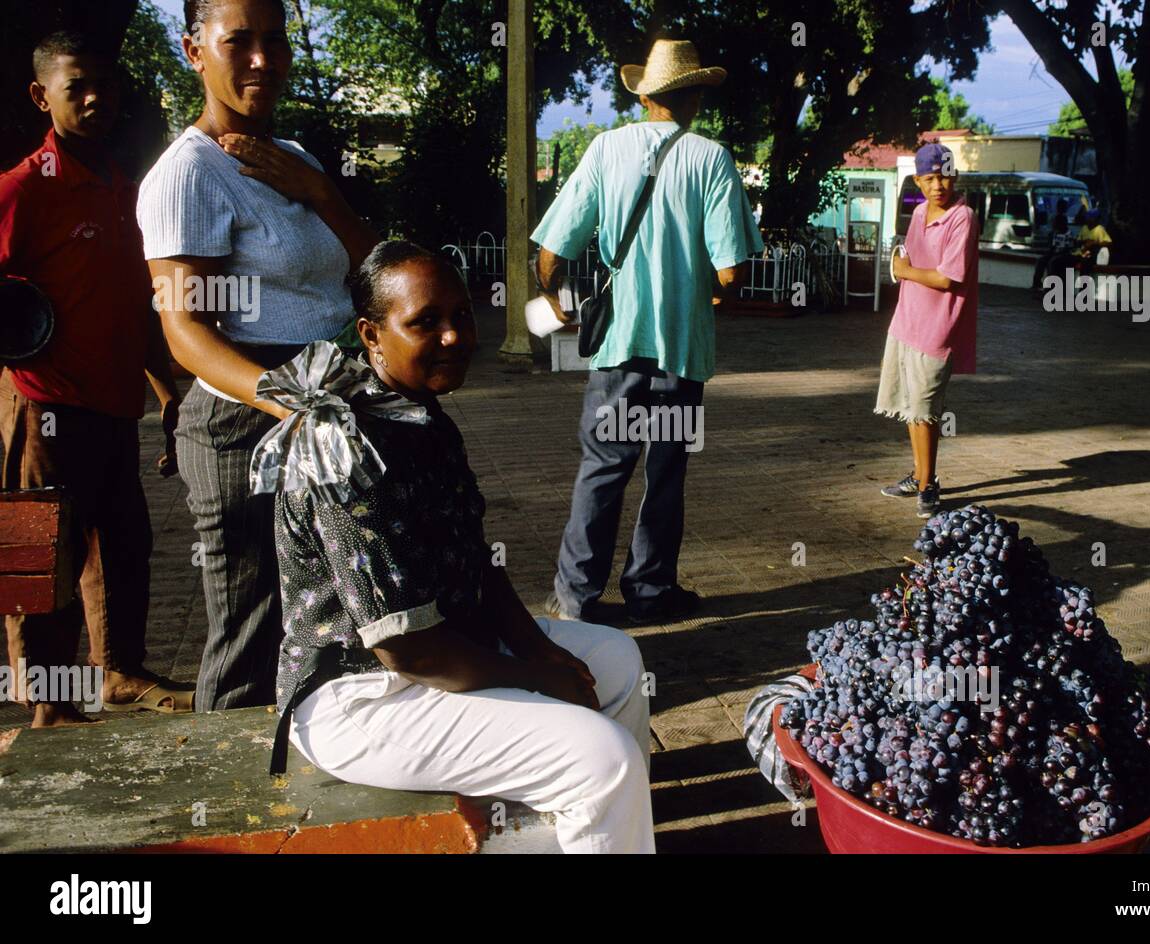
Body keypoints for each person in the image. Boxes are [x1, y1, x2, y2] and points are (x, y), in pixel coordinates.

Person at [267, 241, 654, 854]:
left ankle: (577, 837)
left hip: (449, 645)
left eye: (463, 316)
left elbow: (477, 562)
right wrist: (535, 677)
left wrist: (542, 655)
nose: (455, 336)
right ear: (371, 335)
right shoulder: (342, 446)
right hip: (362, 696)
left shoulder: (419, 413)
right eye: (425, 322)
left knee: (616, 662)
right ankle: (594, 810)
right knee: (599, 758)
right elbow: (403, 647)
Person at [136, 0, 376, 711]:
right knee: (251, 637)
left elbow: (373, 274)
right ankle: (224, 809)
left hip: (327, 408)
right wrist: (287, 405)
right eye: (238, 41)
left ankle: (319, 798)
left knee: (341, 621)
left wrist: (321, 193)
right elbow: (186, 334)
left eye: (275, 41)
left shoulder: (295, 159)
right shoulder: (188, 173)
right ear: (193, 50)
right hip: (247, 422)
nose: (263, 60)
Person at [532, 38, 762, 625]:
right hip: (681, 353)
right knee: (665, 471)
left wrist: (551, 295)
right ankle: (651, 590)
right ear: (694, 96)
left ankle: (576, 601)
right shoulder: (712, 158)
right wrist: (710, 290)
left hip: (619, 348)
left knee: (603, 468)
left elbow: (555, 249)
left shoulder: (605, 148)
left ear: (647, 94)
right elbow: (731, 269)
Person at [0, 32, 191, 726]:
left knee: (122, 544)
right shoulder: (21, 190)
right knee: (39, 548)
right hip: (41, 405)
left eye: (105, 86)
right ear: (40, 94)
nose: (93, 98)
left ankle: (119, 672)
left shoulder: (124, 190)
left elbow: (138, 305)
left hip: (114, 405)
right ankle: (48, 702)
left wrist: (169, 395)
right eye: (75, 85)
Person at [877, 142, 978, 518]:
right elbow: (910, 255)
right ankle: (919, 474)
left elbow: (948, 278)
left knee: (925, 409)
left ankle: (928, 484)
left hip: (938, 328)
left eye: (945, 176)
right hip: (907, 322)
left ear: (955, 177)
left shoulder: (962, 218)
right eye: (931, 177)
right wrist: (901, 262)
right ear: (918, 180)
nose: (939, 185)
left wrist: (903, 271)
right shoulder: (918, 213)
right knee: (910, 407)